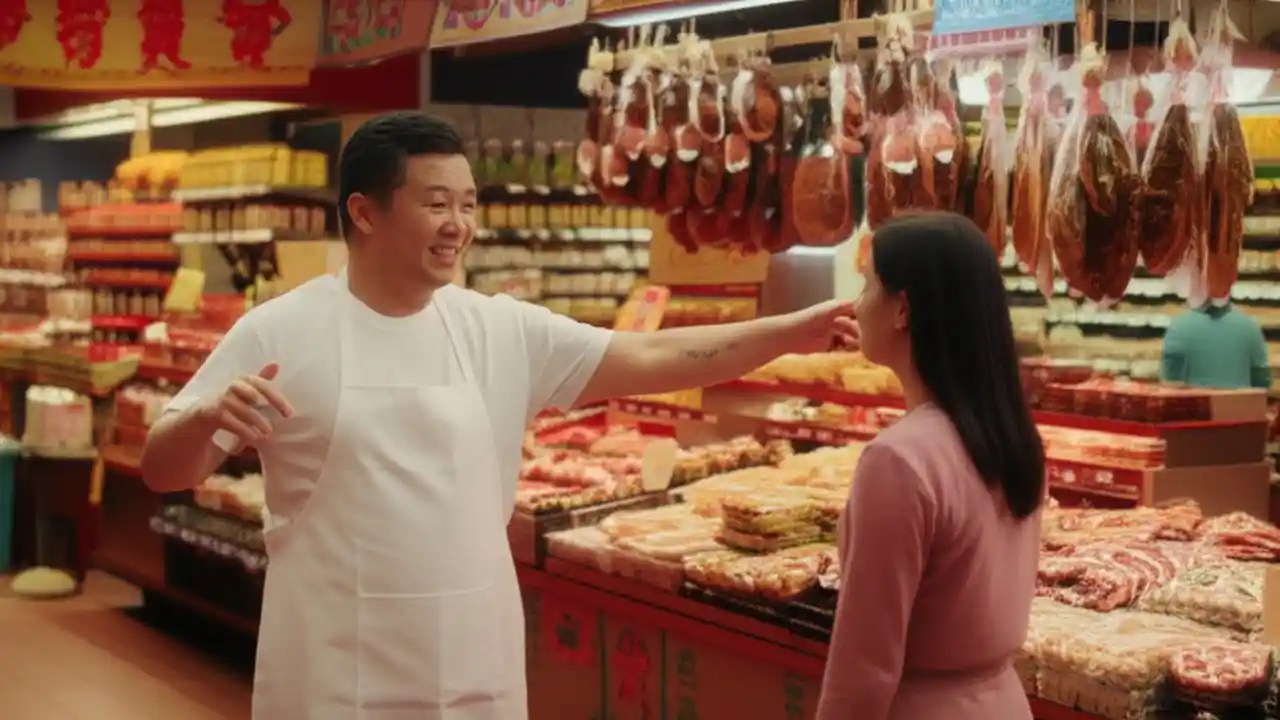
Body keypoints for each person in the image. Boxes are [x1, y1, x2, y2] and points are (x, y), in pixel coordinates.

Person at [140, 111, 856, 720]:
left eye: (468, 204)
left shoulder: (498, 330)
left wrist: (788, 333)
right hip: (334, 674)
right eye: (436, 204)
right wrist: (205, 416)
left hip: (469, 668)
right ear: (364, 211)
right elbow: (164, 469)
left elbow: (657, 357)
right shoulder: (279, 332)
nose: (459, 225)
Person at [815, 212, 1044, 720]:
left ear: (903, 309)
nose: (857, 302)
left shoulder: (898, 460)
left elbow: (864, 670)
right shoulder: (1012, 436)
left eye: (869, 284)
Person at [1162, 303, 1272, 390]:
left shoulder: (1178, 327)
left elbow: (1171, 384)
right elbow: (1262, 382)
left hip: (1197, 413)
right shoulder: (1250, 327)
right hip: (1242, 412)